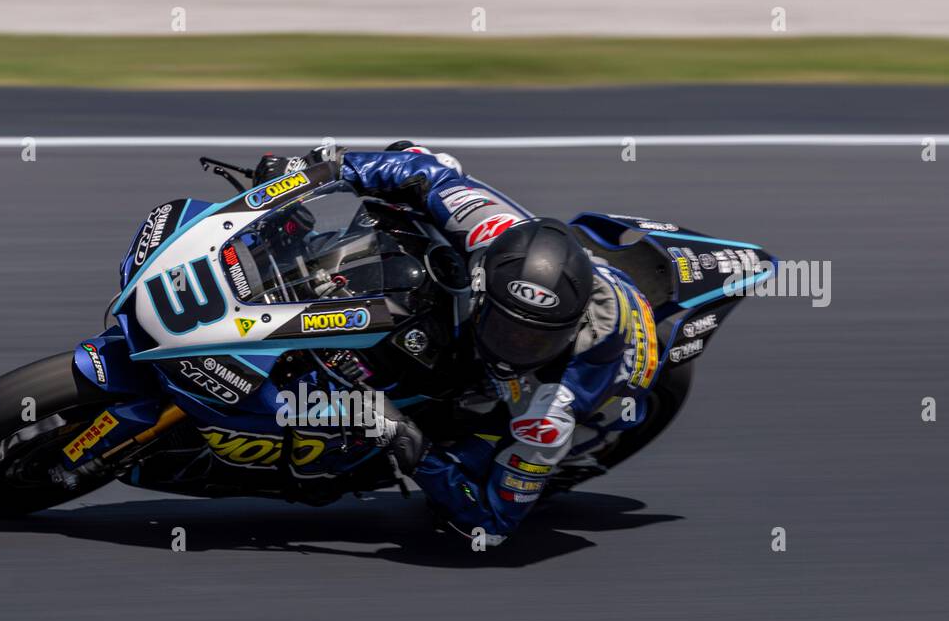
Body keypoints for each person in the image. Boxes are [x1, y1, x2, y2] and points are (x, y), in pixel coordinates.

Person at [252, 143, 660, 545]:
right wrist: (305, 172)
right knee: (415, 154)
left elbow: (492, 525)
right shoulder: (490, 229)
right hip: (568, 271)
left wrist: (407, 441)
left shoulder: (550, 411)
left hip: (605, 364)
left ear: (565, 334)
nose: (513, 348)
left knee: (467, 447)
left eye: (533, 342)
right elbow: (426, 173)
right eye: (506, 329)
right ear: (483, 287)